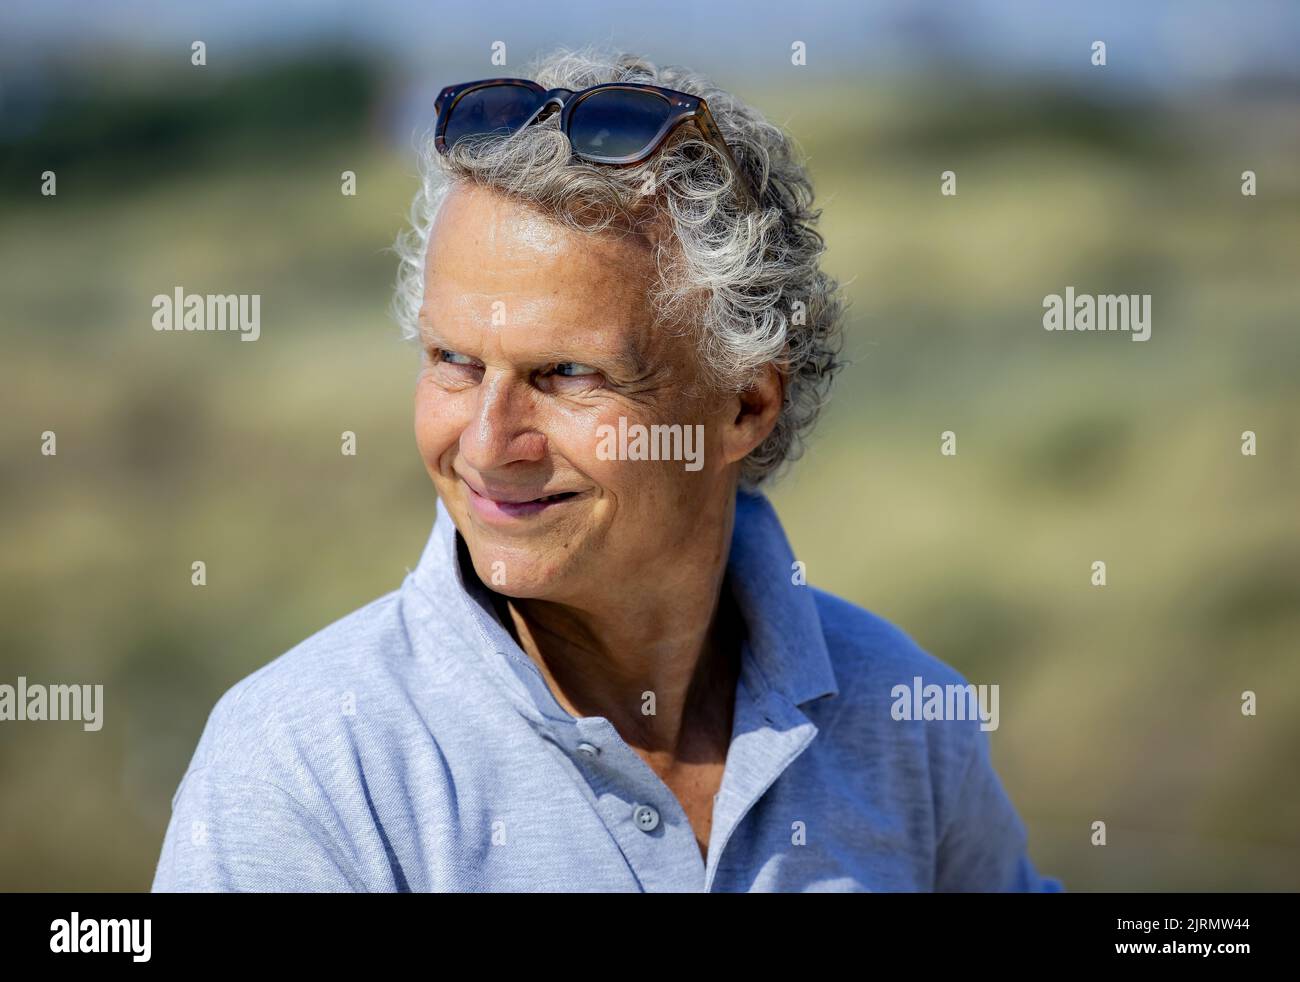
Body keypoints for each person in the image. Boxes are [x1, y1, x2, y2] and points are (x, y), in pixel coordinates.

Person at [151, 46, 1061, 892]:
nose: (485, 442)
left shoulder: (906, 718)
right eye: (453, 362)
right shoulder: (307, 763)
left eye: (568, 375)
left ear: (745, 403)